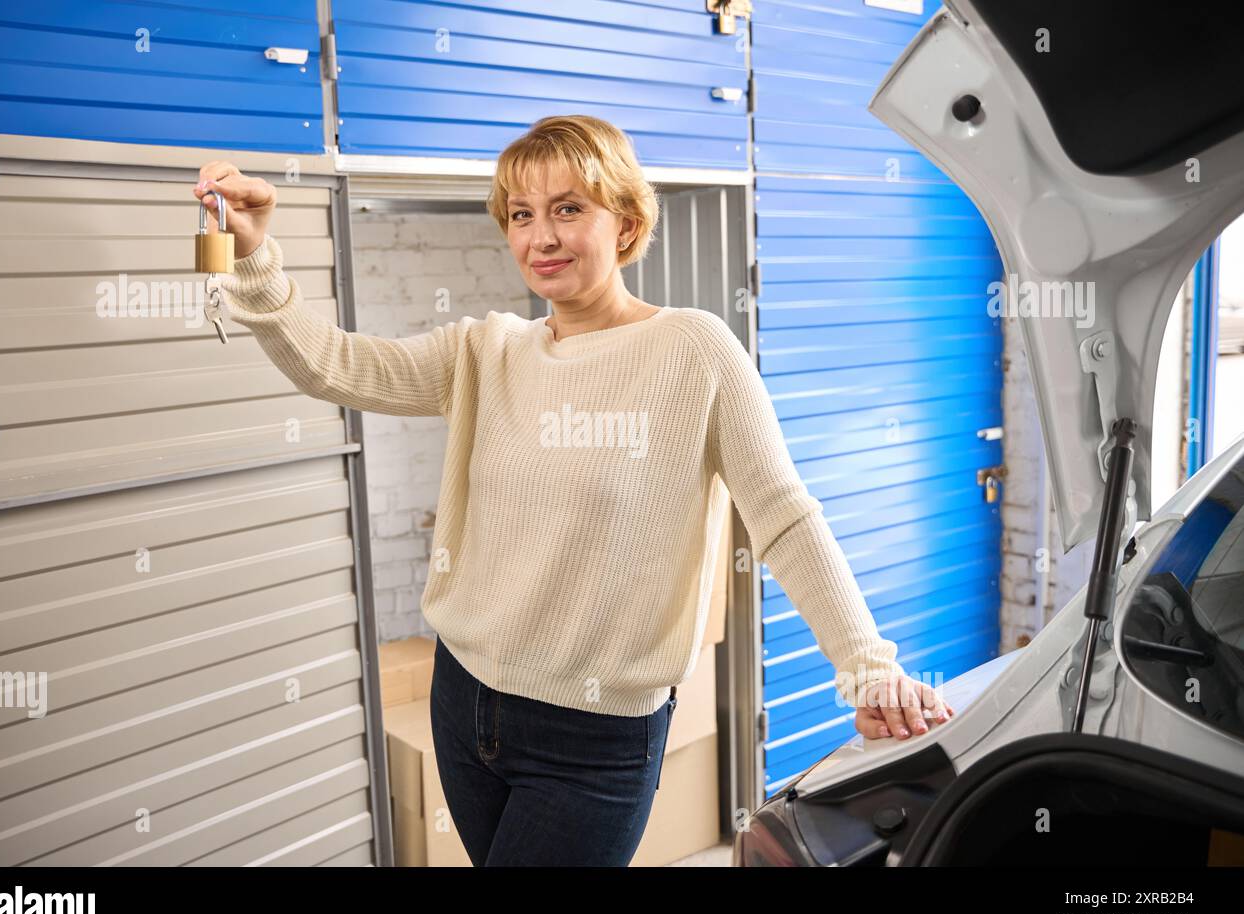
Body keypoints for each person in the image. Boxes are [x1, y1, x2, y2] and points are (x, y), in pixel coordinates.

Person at [192, 114, 954, 866]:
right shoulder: (484, 352)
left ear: (624, 223)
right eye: (521, 215)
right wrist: (257, 254)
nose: (541, 238)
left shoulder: (694, 350)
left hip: (594, 736)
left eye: (567, 210)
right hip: (464, 702)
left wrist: (868, 666)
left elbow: (784, 517)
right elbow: (334, 366)